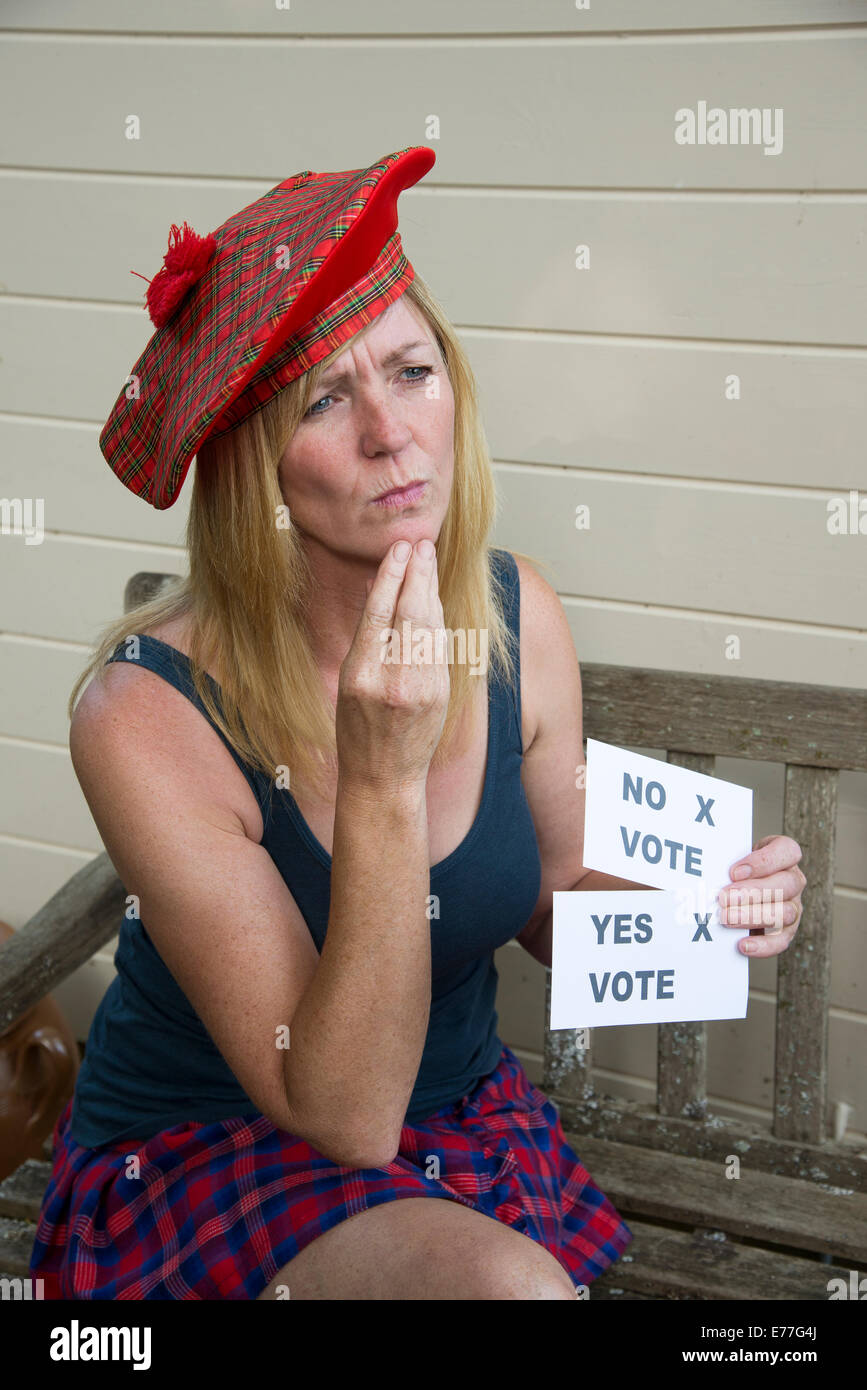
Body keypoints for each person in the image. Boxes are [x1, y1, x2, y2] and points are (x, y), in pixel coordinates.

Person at [28, 147, 806, 1301]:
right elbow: (337, 1112)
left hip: (457, 1120)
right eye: (325, 401)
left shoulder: (515, 613)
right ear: (257, 473)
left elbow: (548, 900)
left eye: (412, 370)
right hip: (219, 1151)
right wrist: (385, 782)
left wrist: (700, 907)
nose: (392, 433)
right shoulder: (143, 708)